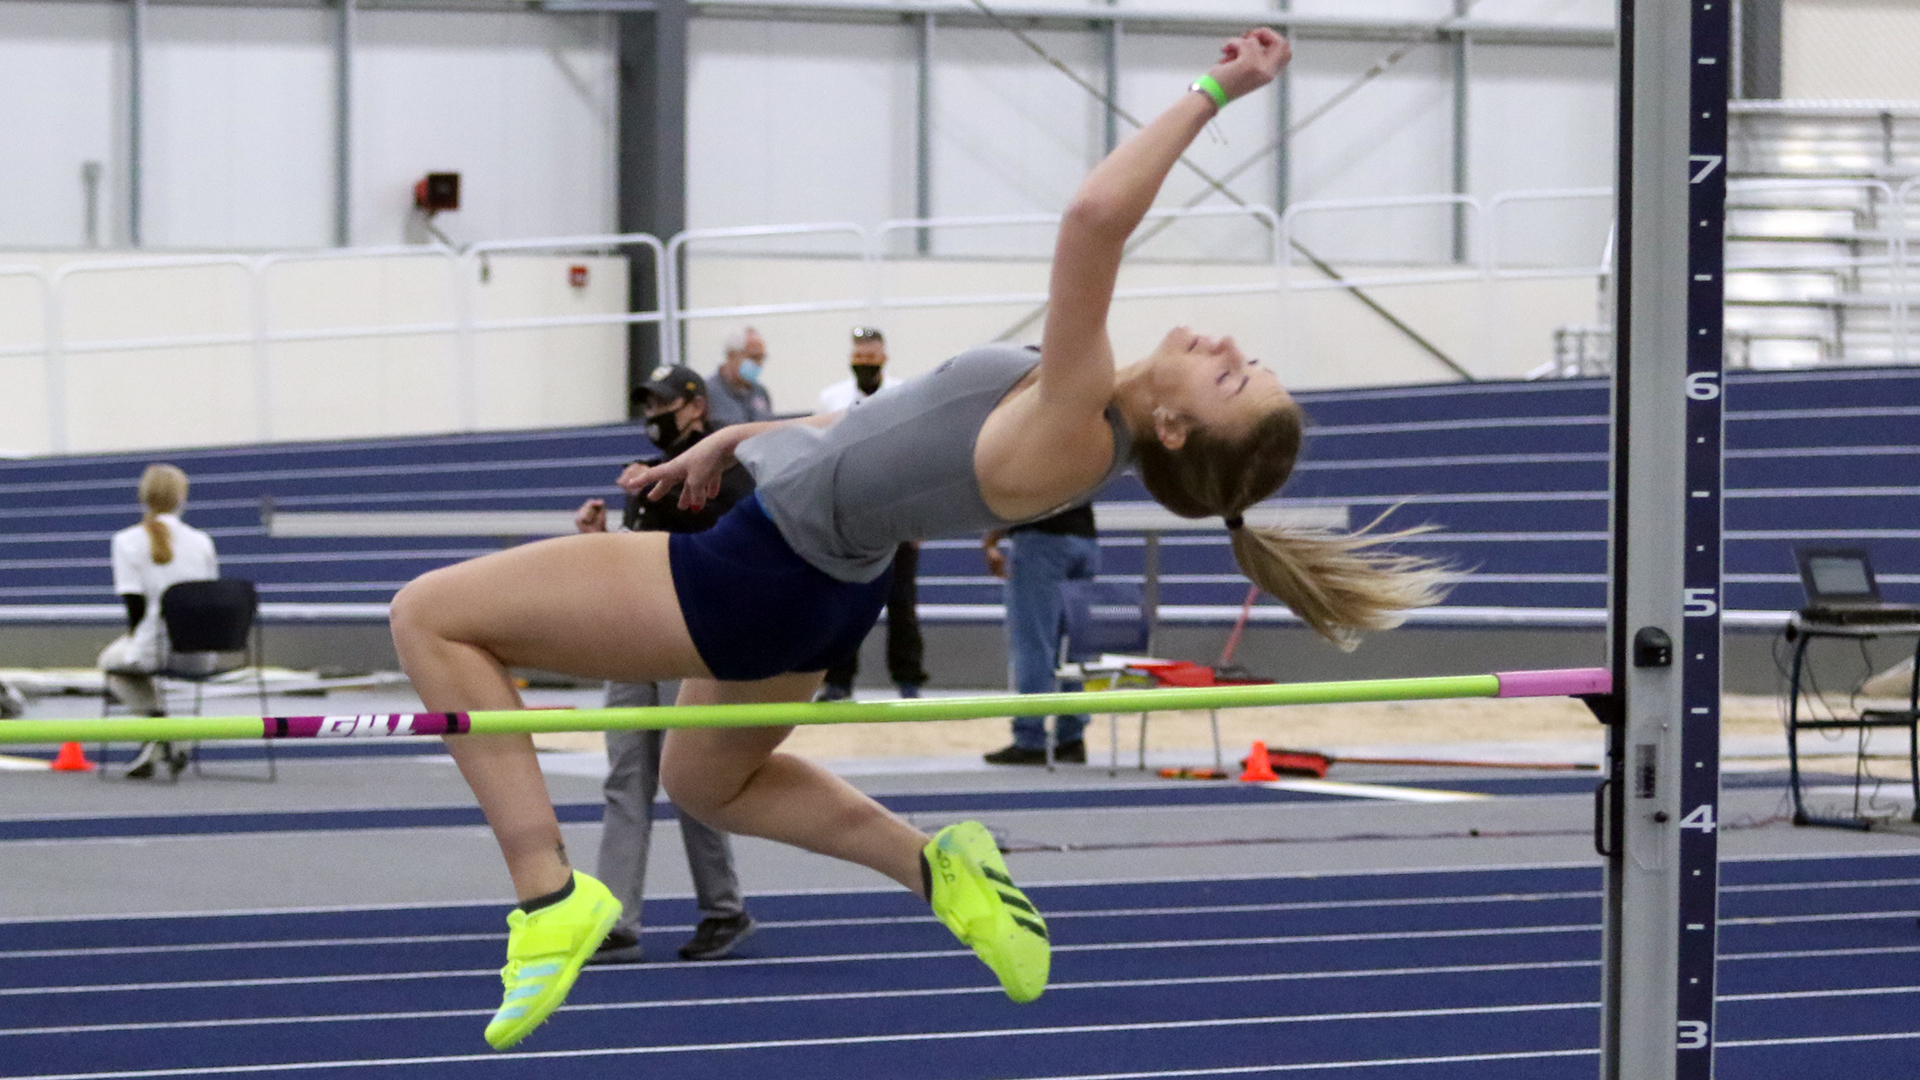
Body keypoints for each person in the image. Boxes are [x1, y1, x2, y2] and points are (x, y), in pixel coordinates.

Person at [391, 28, 1443, 1052]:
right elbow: (881, 435)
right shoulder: (1077, 423)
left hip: (760, 570)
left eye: (1228, 374)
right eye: (1243, 357)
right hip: (825, 587)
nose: (1222, 343)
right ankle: (938, 868)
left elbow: (1091, 219)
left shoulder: (1082, 411)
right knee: (707, 784)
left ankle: (546, 895)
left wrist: (1217, 93)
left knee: (432, 616)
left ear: (1174, 430)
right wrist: (732, 443)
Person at [573, 365, 757, 965]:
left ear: (695, 406)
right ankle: (616, 918)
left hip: (688, 641)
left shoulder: (725, 466)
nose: (652, 413)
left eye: (662, 402)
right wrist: (600, 540)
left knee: (689, 779)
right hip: (632, 639)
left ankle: (724, 909)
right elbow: (641, 560)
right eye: (646, 402)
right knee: (625, 778)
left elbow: (723, 545)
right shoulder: (648, 478)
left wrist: (663, 489)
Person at [813, 327, 927, 701]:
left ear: (883, 358)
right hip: (848, 515)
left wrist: (916, 517)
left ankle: (909, 681)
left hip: (895, 516)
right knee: (844, 601)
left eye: (870, 357)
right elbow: (820, 457)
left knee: (902, 603)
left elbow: (914, 458)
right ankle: (838, 681)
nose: (864, 364)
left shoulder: (903, 394)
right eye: (859, 357)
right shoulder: (831, 399)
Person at [98, 464, 218, 779]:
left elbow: (133, 606)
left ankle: (163, 735)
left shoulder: (126, 540)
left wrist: (135, 642)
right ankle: (165, 741)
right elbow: (209, 597)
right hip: (203, 651)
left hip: (156, 645)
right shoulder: (202, 541)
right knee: (131, 660)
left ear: (143, 497)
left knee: (112, 665)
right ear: (182, 498)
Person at [980, 503, 1101, 765]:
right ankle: (1071, 738)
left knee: (1034, 643)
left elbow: (1027, 489)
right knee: (1074, 648)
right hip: (1085, 539)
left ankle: (1030, 738)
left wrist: (992, 539)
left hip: (1042, 539)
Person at [705, 326, 774, 427]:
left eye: (761, 358)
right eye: (753, 357)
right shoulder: (708, 393)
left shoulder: (761, 393)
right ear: (731, 355)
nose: (758, 364)